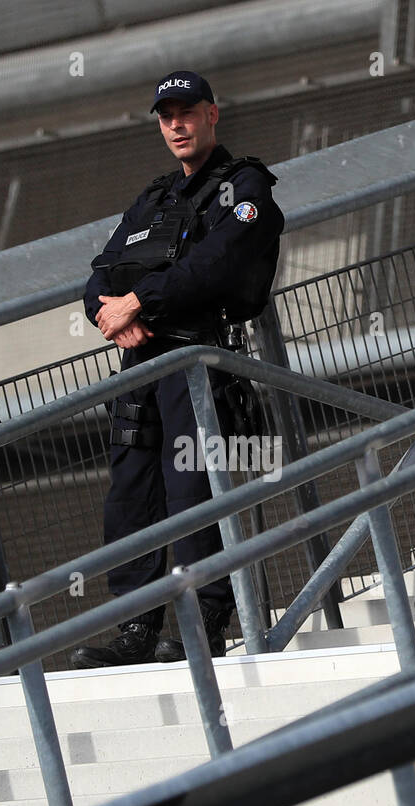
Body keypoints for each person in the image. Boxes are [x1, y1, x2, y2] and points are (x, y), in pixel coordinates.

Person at [69, 71, 285, 669]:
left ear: (213, 114)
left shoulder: (243, 187)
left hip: (200, 361)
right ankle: (135, 629)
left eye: (187, 112)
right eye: (166, 116)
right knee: (131, 496)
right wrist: (109, 313)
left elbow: (217, 265)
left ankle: (201, 625)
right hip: (140, 364)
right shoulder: (153, 197)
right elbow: (101, 272)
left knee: (193, 493)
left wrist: (140, 302)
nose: (176, 125)